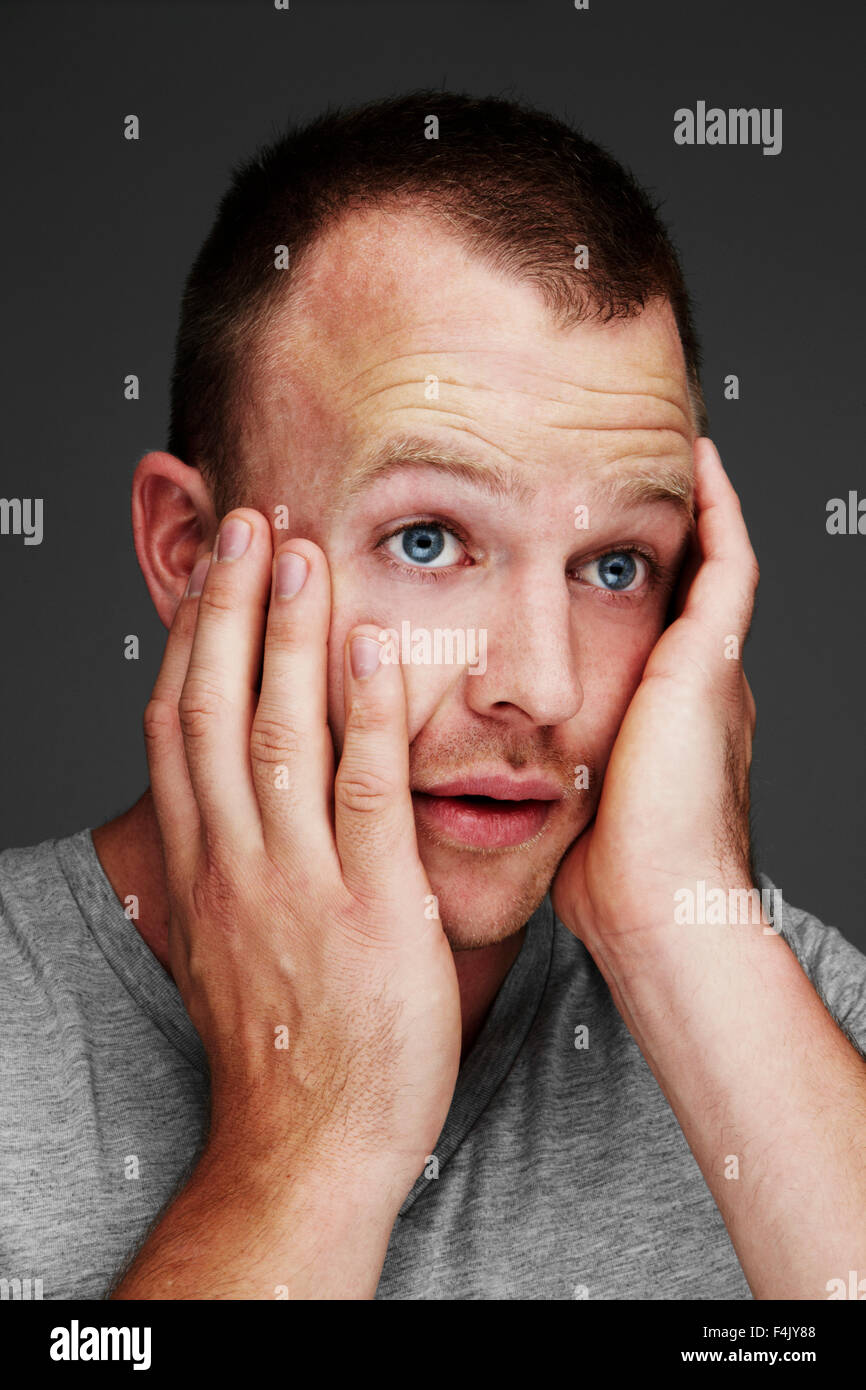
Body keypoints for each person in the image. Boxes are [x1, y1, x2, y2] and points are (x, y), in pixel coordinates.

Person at [2, 91, 865, 1302]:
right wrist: (314, 1139)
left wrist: (686, 942)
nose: (540, 686)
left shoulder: (788, 1008)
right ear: (191, 552)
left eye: (615, 565)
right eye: (426, 540)